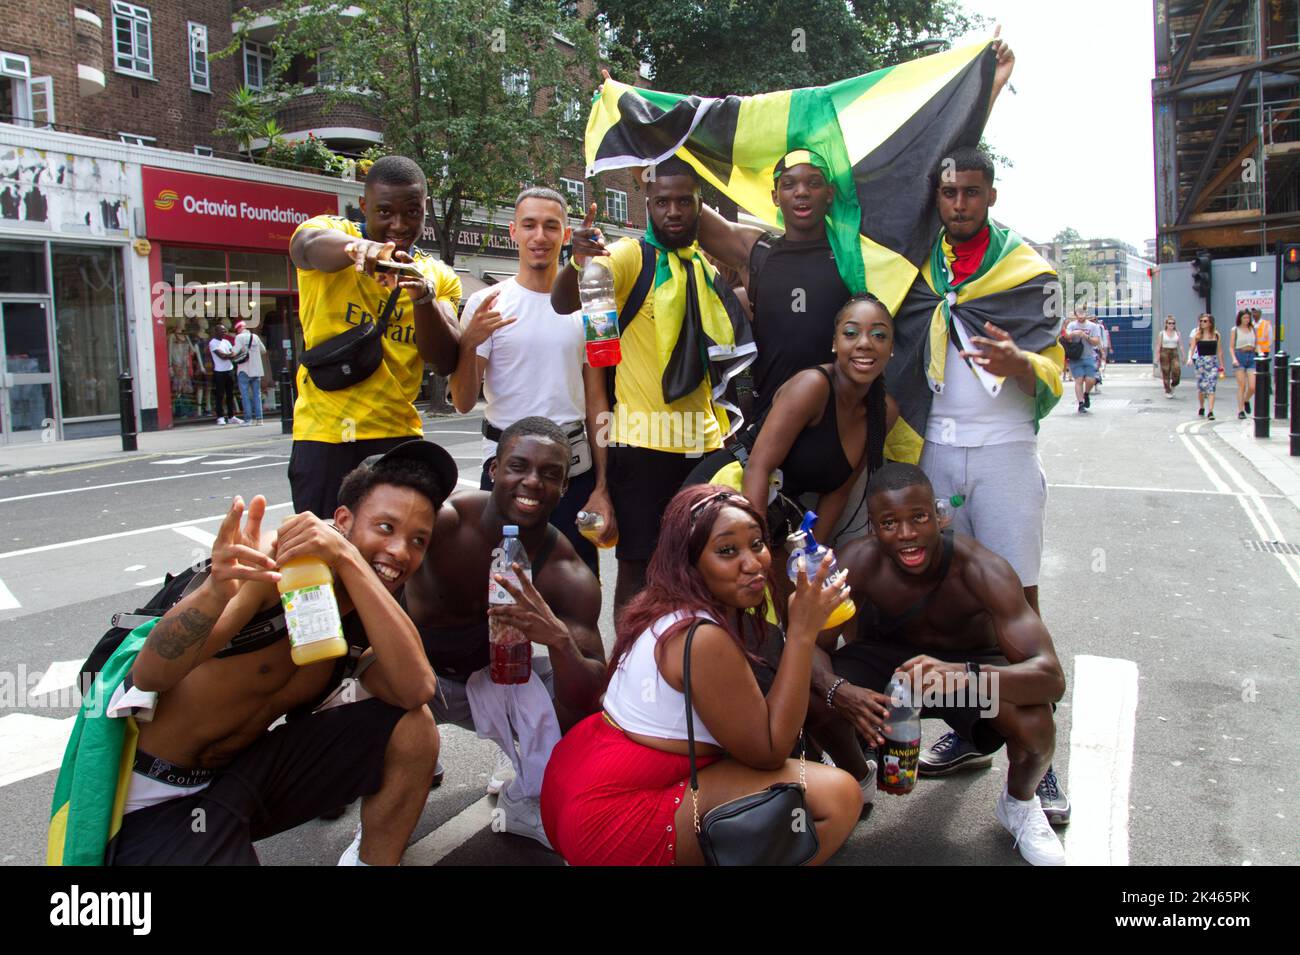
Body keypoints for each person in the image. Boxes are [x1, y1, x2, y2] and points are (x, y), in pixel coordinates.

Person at [61, 441, 457, 865]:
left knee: (414, 729)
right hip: (153, 795)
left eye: (418, 540)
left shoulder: (371, 605)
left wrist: (349, 561)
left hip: (239, 779)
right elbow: (150, 676)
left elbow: (415, 691)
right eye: (385, 528)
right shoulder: (279, 566)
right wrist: (216, 590)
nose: (401, 551)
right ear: (341, 520)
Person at [541, 484, 863, 865]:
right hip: (615, 818)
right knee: (838, 796)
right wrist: (803, 631)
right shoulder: (702, 637)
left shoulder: (665, 604)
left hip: (577, 781)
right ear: (689, 561)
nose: (752, 563)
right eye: (727, 551)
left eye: (757, 544)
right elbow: (770, 751)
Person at [887, 147, 1068, 817]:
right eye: (948, 192)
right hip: (938, 449)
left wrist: (1019, 358)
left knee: (1017, 598)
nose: (957, 203)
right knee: (945, 599)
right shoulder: (918, 266)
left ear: (991, 195)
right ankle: (970, 733)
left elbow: (1055, 371)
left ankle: (1040, 758)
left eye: (970, 192)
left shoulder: (1029, 270)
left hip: (1006, 452)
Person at [810, 464, 1067, 865]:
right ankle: (858, 778)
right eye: (890, 523)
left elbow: (1050, 677)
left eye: (919, 517)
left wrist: (965, 675)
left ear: (939, 515)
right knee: (810, 696)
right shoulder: (857, 561)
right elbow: (810, 646)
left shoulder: (984, 569)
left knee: (1035, 724)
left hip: (968, 670)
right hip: (886, 665)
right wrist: (838, 691)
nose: (907, 534)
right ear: (872, 526)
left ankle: (1019, 803)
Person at [551, 157, 756, 613]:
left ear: (700, 206)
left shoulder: (703, 269)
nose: (674, 211)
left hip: (702, 451)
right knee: (641, 575)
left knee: (700, 572)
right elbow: (566, 302)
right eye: (663, 202)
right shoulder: (628, 257)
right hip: (640, 451)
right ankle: (628, 671)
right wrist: (576, 261)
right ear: (648, 204)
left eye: (685, 202)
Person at [402, 417, 606, 846]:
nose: (532, 482)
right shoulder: (444, 525)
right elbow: (369, 553)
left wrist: (558, 639)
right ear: (494, 470)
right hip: (417, 679)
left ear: (564, 488)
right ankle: (387, 810)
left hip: (498, 681)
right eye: (519, 467)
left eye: (550, 474)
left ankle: (526, 797)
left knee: (590, 716)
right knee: (368, 695)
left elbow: (589, 689)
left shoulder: (566, 572)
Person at [288, 155, 463, 518]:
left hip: (397, 437)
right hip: (325, 437)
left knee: (395, 560)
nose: (398, 225)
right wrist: (356, 251)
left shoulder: (438, 275)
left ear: (425, 210)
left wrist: (423, 297)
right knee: (323, 557)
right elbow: (304, 246)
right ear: (364, 206)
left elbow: (444, 358)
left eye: (412, 213)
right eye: (384, 212)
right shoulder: (338, 235)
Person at [451, 187, 600, 576]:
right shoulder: (488, 304)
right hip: (504, 468)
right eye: (530, 225)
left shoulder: (591, 306)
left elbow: (598, 399)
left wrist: (604, 484)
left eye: (551, 226)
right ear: (513, 232)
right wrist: (468, 343)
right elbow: (463, 401)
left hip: (572, 469)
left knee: (577, 584)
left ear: (566, 235)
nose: (540, 236)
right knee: (503, 593)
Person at [685, 294, 897, 543]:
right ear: (834, 343)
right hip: (728, 489)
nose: (865, 343)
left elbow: (838, 494)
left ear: (891, 349)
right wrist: (756, 548)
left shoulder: (883, 412)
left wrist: (809, 556)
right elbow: (758, 468)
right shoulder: (812, 386)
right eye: (851, 333)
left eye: (879, 335)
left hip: (776, 512)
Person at [1064, 308, 1103, 413]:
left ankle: (1086, 394)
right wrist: (1074, 333)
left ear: (1086, 314)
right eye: (1079, 314)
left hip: (1089, 356)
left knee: (1091, 380)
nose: (1081, 316)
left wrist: (1085, 336)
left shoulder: (1093, 326)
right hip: (1075, 357)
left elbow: (1096, 342)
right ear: (1075, 315)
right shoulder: (1072, 325)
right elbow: (1066, 336)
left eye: (1083, 313)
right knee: (1079, 380)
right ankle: (1081, 404)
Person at [1188, 313, 1224, 420]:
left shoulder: (1216, 335)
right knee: (1201, 388)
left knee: (1211, 387)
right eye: (1201, 321)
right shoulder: (1197, 335)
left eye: (1205, 321)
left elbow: (1219, 351)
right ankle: (1202, 406)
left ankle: (1211, 411)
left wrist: (1222, 365)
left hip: (1213, 362)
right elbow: (1192, 348)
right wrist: (1190, 358)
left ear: (1210, 323)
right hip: (1201, 362)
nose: (1202, 323)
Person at [232, 320, 266, 425]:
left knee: (245, 395)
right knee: (257, 395)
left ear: (238, 329)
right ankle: (259, 419)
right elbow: (263, 350)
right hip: (256, 370)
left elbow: (234, 352)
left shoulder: (239, 337)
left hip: (244, 369)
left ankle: (248, 419)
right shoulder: (255, 337)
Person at [208, 322, 243, 426]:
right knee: (220, 395)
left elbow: (232, 353)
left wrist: (229, 355)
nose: (224, 332)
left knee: (230, 394)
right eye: (222, 331)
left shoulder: (227, 342)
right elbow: (222, 356)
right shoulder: (213, 343)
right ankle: (220, 417)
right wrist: (230, 355)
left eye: (225, 331)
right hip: (219, 372)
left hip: (229, 370)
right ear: (216, 332)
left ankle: (231, 416)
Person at [1229, 308, 1256, 419]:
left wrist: (1260, 353)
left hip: (1252, 356)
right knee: (1242, 385)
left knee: (1252, 386)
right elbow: (1231, 347)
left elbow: (1257, 343)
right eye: (1244, 317)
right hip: (1240, 355)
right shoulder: (1235, 329)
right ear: (1240, 318)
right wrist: (1234, 359)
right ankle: (1241, 411)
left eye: (1248, 317)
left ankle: (1246, 400)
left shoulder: (1252, 328)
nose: (1246, 319)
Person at [1156, 315, 1183, 397]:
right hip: (1164, 352)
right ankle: (1167, 391)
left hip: (1174, 352)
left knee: (1177, 369)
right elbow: (1158, 345)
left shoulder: (1177, 333)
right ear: (1166, 324)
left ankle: (1174, 384)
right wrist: (1157, 356)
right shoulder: (1162, 333)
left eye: (1173, 323)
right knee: (1166, 372)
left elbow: (1180, 345)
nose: (1171, 325)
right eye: (1169, 323)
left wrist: (1183, 355)